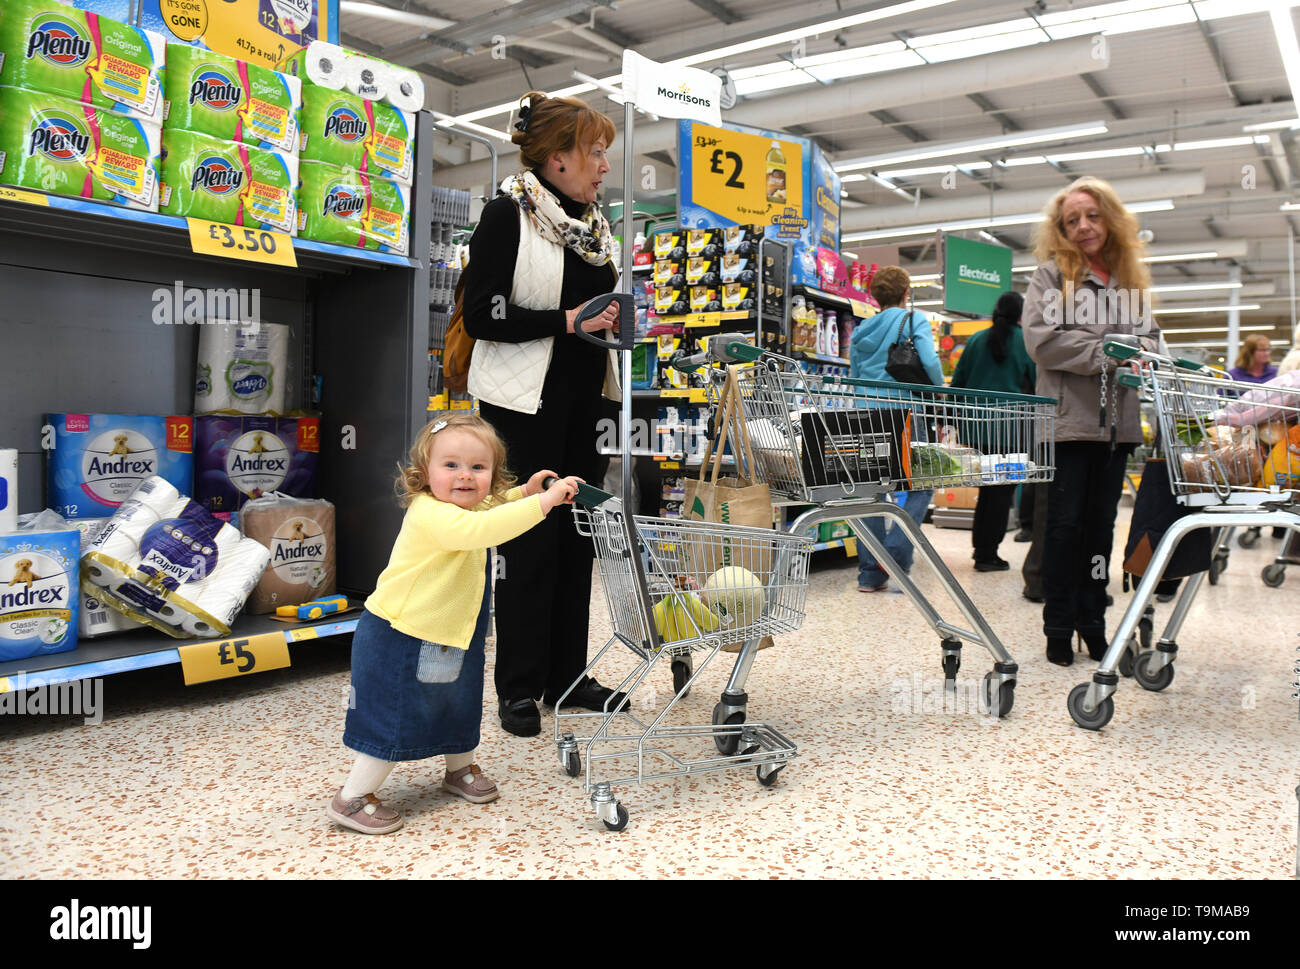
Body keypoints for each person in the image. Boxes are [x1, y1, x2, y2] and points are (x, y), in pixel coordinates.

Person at [327, 414, 582, 834]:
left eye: (478, 468)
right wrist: (545, 502)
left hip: (450, 633)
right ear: (424, 473)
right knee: (394, 716)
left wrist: (525, 491)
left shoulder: (465, 504)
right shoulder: (431, 513)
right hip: (400, 636)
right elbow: (484, 527)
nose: (465, 476)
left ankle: (458, 768)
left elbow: (490, 506)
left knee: (456, 703)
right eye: (451, 466)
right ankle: (352, 796)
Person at [462, 90, 625, 737]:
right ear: (557, 158)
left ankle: (568, 675)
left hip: (588, 401)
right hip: (524, 404)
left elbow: (595, 308)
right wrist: (565, 321)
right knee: (529, 542)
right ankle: (520, 687)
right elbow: (483, 314)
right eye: (595, 152)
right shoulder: (508, 216)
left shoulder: (594, 228)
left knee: (577, 539)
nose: (604, 166)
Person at [1022, 176, 1160, 667]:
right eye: (1071, 220)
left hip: (1116, 429)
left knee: (1101, 530)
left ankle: (1093, 622)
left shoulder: (1129, 281)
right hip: (1067, 426)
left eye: (1092, 216)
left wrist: (1143, 353)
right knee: (1062, 529)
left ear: (1111, 219)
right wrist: (1111, 352)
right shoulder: (1051, 278)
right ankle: (1058, 626)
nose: (1083, 227)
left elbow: (1154, 343)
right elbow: (1043, 342)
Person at [849, 266, 944, 592]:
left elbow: (855, 375)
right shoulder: (911, 319)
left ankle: (870, 575)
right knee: (921, 484)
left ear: (875, 296)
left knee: (871, 491)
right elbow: (929, 361)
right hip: (903, 414)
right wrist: (940, 390)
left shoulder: (861, 329)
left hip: (864, 415)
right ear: (906, 294)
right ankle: (893, 554)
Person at [950, 290, 1036, 571]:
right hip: (1012, 431)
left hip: (978, 430)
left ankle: (982, 550)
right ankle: (988, 554)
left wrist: (950, 418)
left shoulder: (975, 340)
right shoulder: (1025, 342)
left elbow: (958, 383)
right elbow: (1036, 385)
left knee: (988, 491)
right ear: (1021, 315)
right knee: (1001, 494)